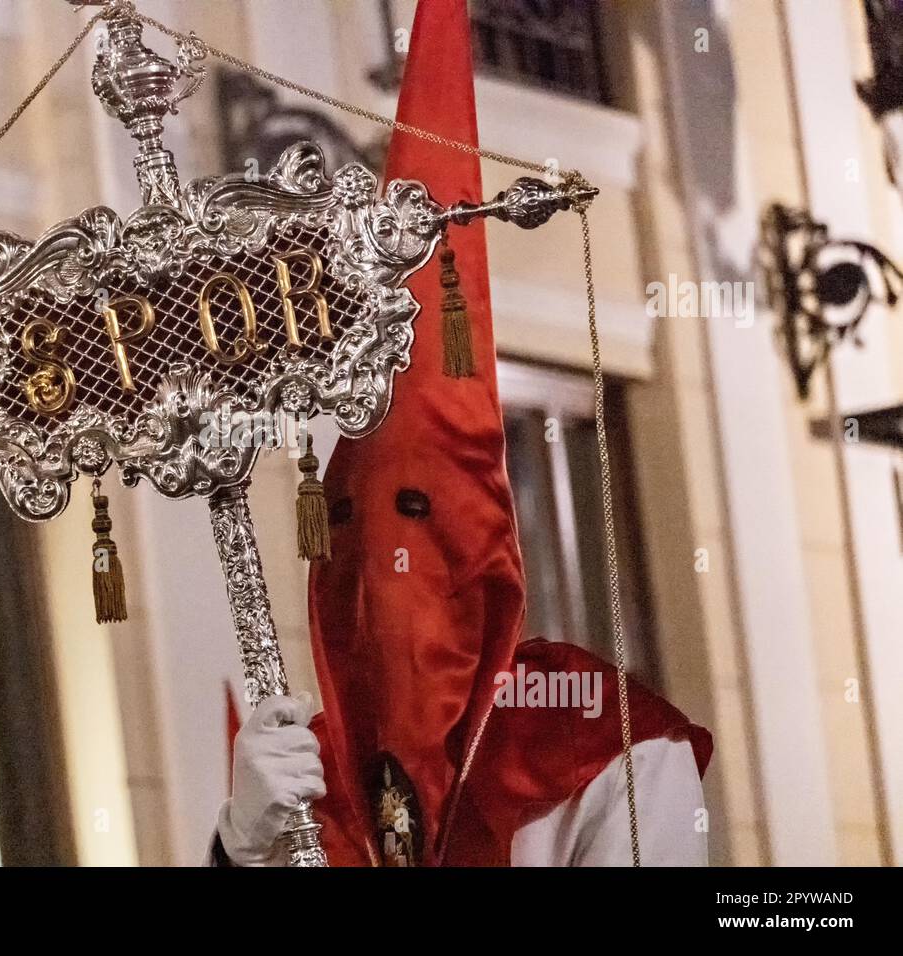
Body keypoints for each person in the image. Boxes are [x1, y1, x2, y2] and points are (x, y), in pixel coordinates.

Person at [211, 0, 711, 868]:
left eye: (418, 515)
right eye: (349, 531)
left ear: (484, 540)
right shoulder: (307, 779)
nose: (389, 568)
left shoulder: (602, 739)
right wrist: (238, 848)